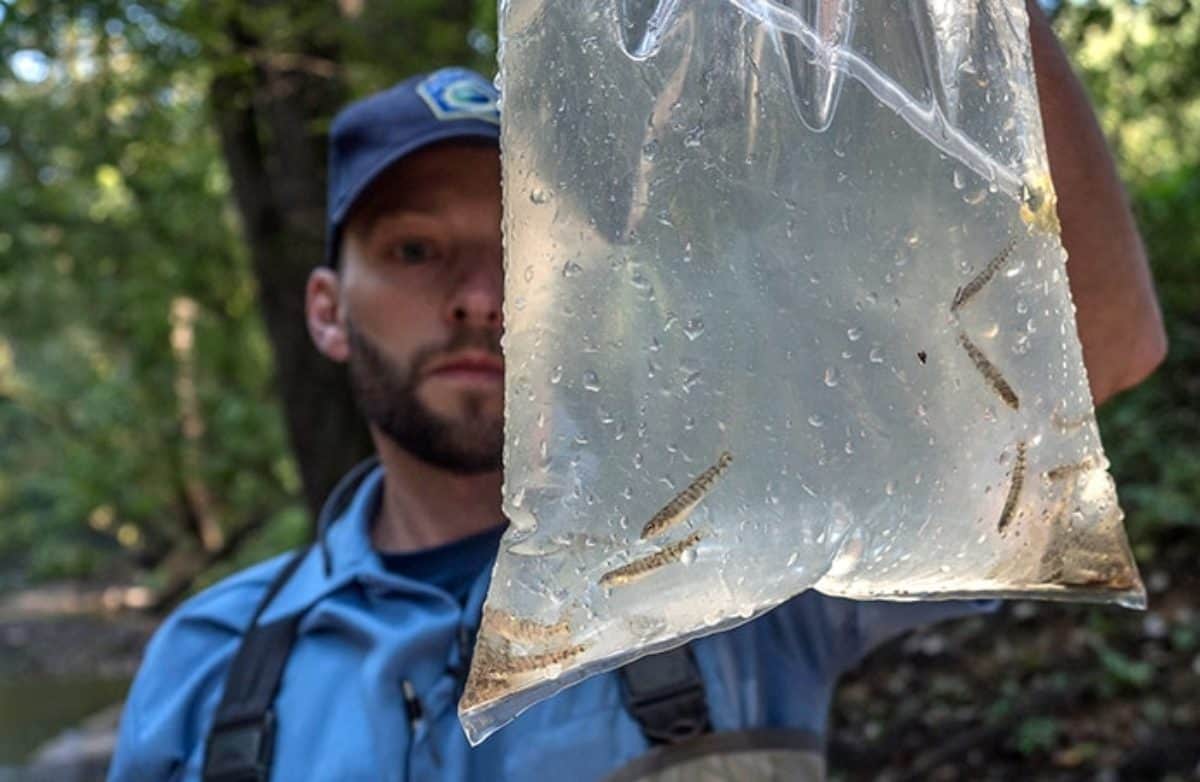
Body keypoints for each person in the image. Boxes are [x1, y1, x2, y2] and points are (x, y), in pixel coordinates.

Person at [107, 6, 1166, 781]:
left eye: (521, 254)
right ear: (329, 310)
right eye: (417, 249)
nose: (480, 299)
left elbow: (1099, 348)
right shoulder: (211, 661)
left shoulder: (738, 549)